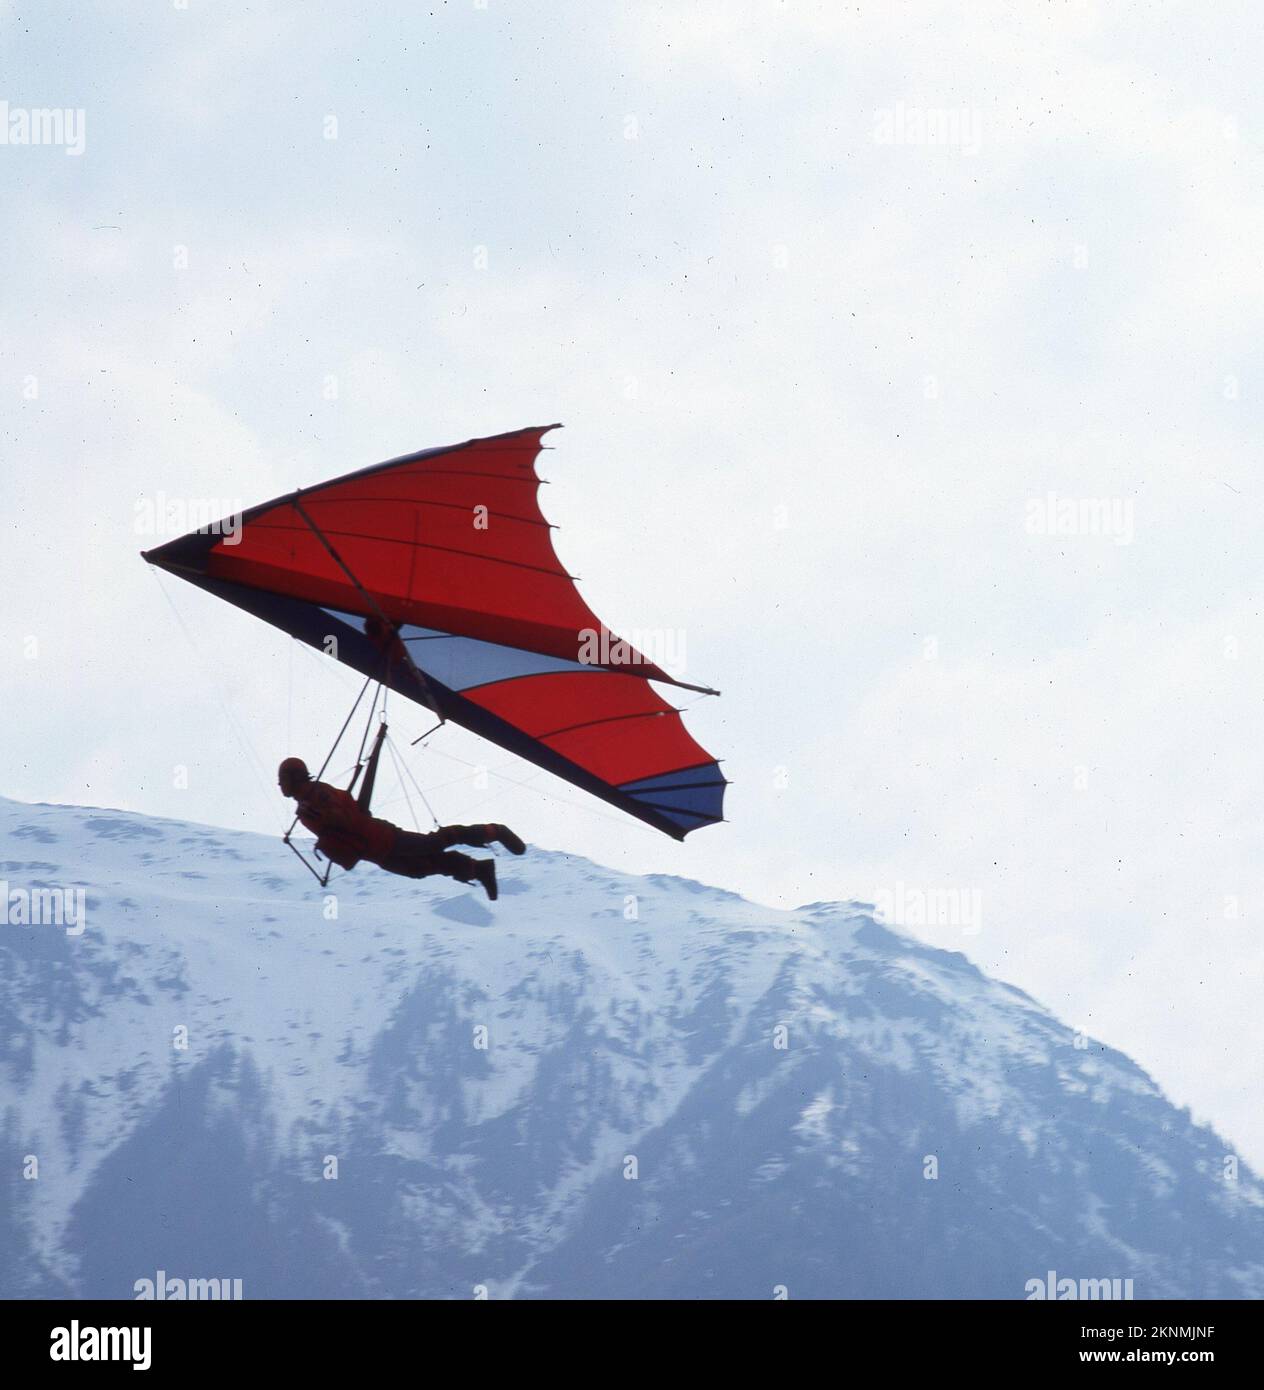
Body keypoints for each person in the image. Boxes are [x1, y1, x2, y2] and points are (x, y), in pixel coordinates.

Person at [277, 756, 524, 901]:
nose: (281, 786)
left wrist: (326, 818)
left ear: (293, 778)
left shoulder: (318, 795)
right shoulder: (306, 808)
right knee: (420, 868)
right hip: (375, 853)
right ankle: (479, 869)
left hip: (383, 837)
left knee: (433, 843)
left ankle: (495, 831)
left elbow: (350, 815)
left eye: (283, 780)